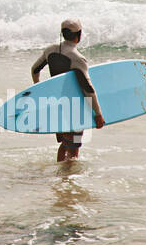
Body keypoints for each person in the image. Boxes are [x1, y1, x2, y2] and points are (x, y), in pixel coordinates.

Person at [31, 18, 105, 161]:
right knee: (73, 147)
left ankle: (61, 178)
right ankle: (67, 179)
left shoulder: (50, 50)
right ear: (79, 35)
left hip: (56, 104)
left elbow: (34, 70)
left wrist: (38, 88)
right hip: (75, 108)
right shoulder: (78, 58)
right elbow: (88, 88)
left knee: (65, 144)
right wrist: (98, 113)